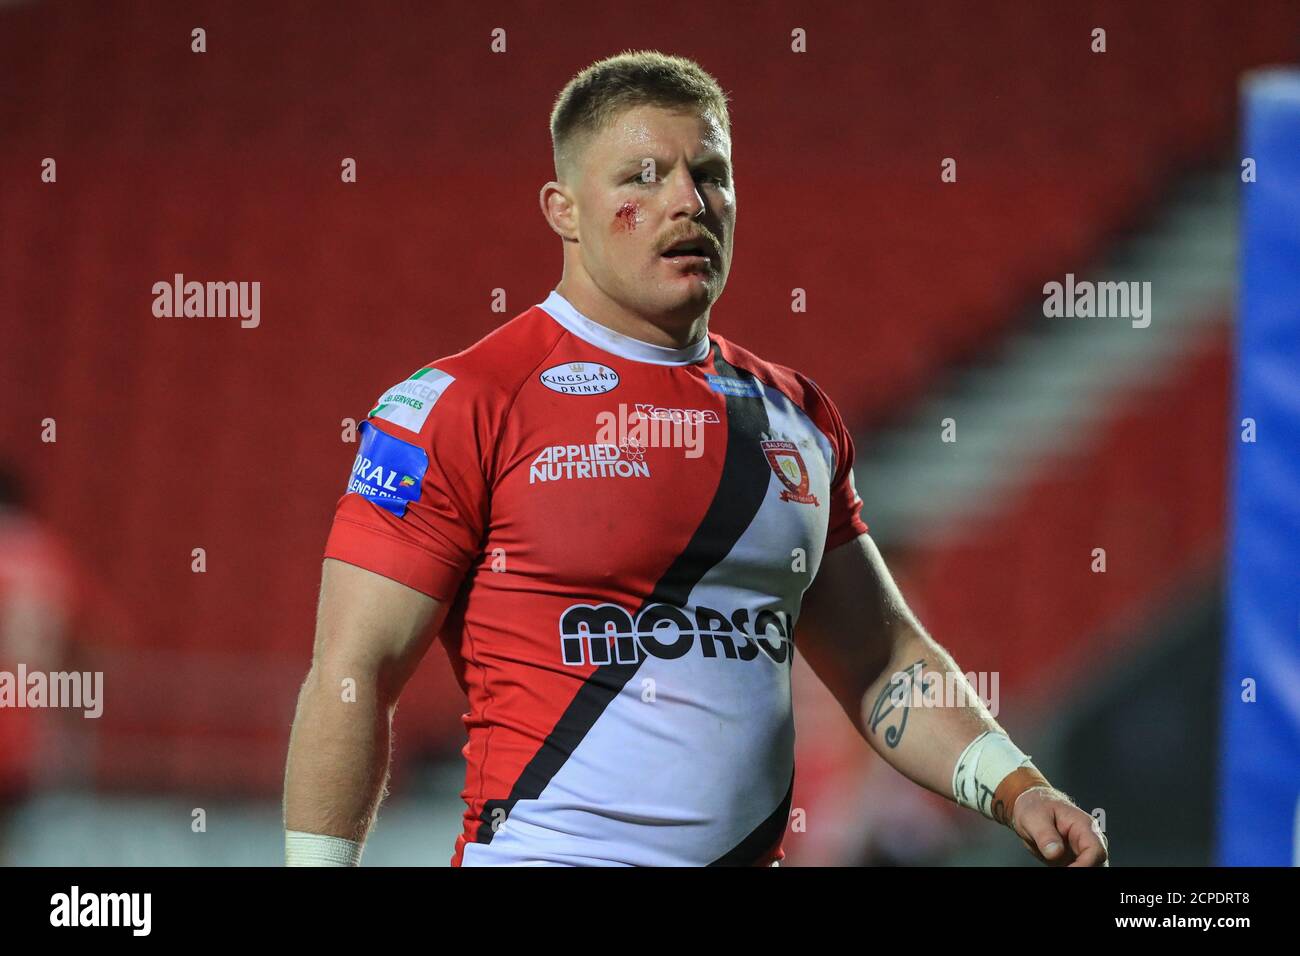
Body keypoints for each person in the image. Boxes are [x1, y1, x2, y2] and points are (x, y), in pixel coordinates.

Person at [282, 50, 1108, 867]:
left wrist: (1018, 786)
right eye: (643, 176)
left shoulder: (798, 417)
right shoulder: (459, 405)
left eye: (710, 174)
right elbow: (354, 674)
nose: (688, 201)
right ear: (563, 209)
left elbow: (881, 661)